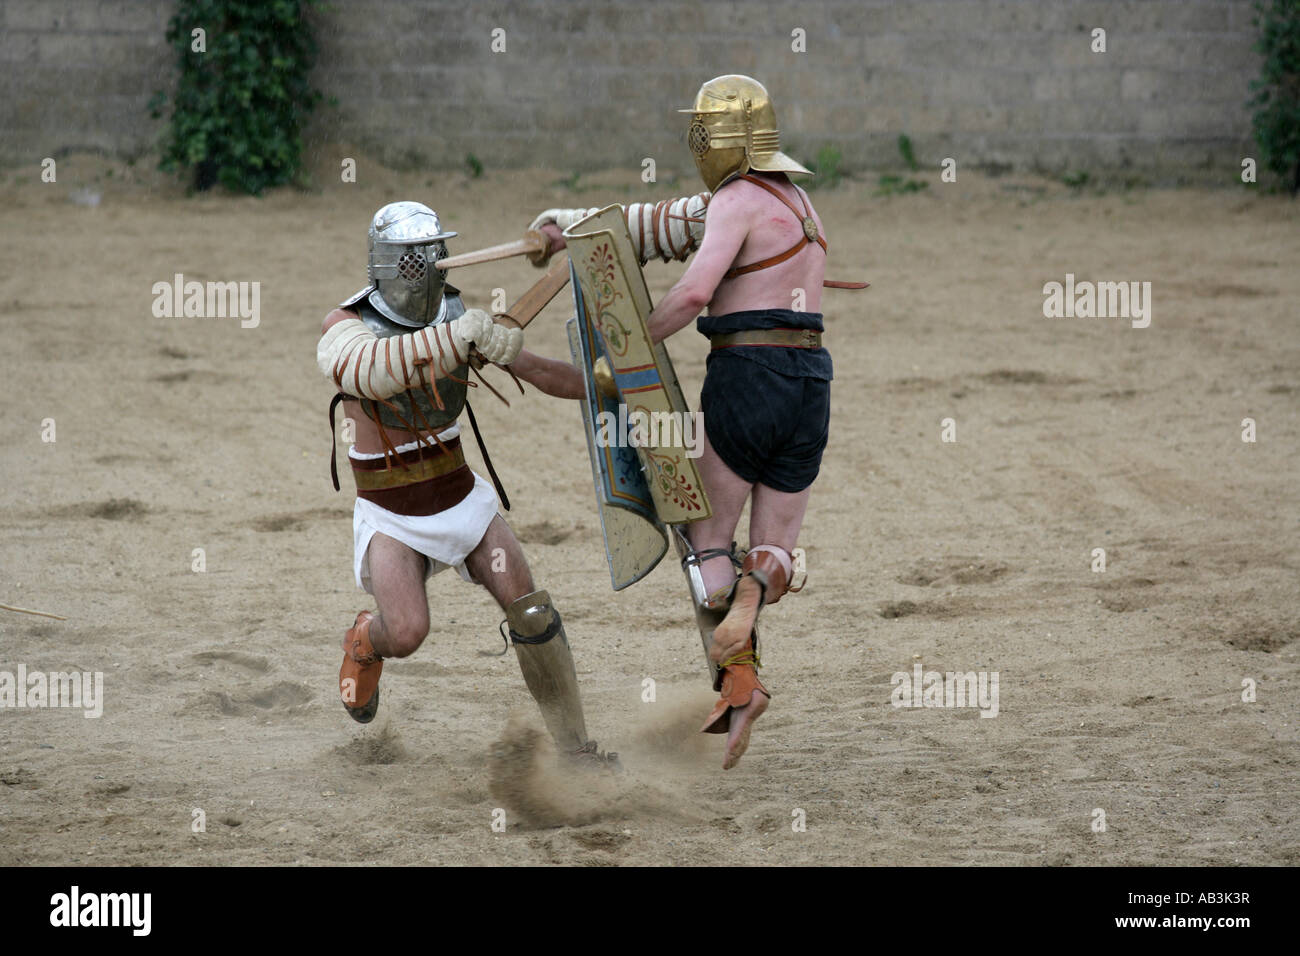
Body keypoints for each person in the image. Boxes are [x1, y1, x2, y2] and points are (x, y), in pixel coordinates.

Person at [525, 76, 837, 769]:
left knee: (706, 545)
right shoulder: (798, 200)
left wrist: (627, 353)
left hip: (748, 379)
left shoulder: (733, 199)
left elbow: (695, 289)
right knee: (777, 546)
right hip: (812, 383)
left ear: (717, 140)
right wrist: (563, 225)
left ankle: (741, 668)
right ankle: (753, 624)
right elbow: (657, 223)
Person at [316, 200, 615, 766]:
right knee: (405, 632)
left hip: (459, 499)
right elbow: (373, 370)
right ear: (386, 265)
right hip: (392, 517)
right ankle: (364, 639)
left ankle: (577, 752)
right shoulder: (345, 327)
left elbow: (546, 375)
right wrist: (460, 338)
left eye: (437, 254)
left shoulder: (456, 319)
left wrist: (610, 381)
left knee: (530, 610)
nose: (431, 267)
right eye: (416, 260)